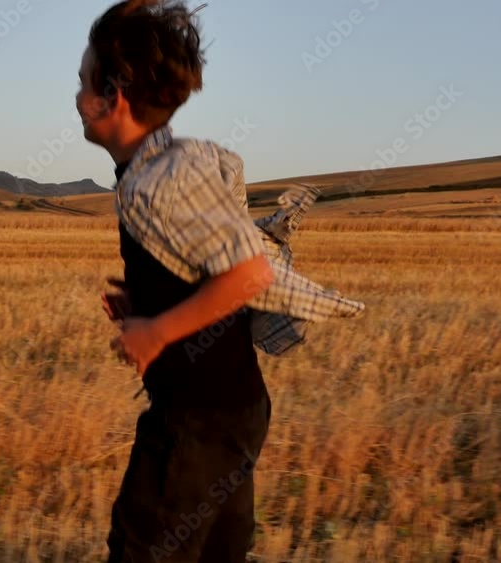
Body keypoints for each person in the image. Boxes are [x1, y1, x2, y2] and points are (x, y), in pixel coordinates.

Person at [77, 2, 365, 560]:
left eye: (84, 83)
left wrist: (157, 331)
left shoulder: (162, 177)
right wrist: (152, 296)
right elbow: (206, 265)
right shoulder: (151, 169)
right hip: (228, 411)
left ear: (114, 95)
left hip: (197, 420)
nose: (76, 99)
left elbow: (247, 272)